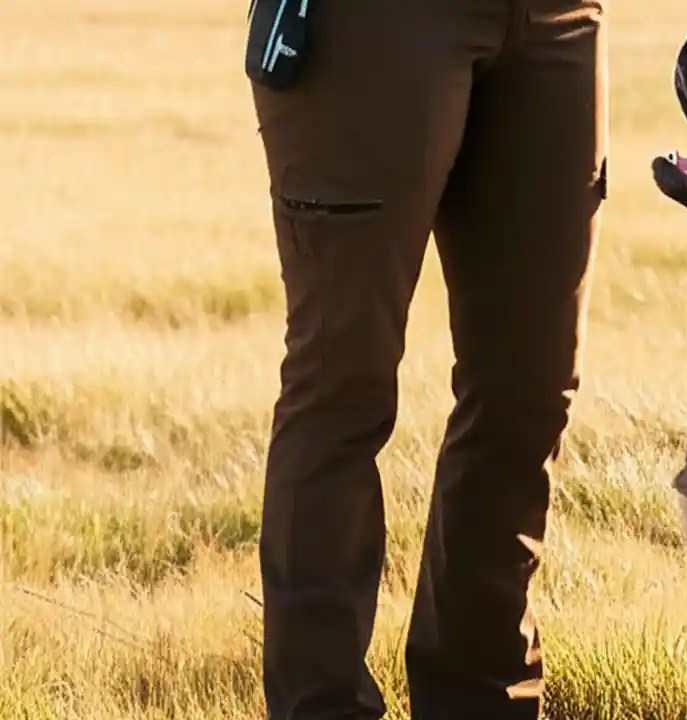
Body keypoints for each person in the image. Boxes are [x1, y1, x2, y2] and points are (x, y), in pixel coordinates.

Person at [246, 1, 607, 717]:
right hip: (372, 24)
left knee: (528, 391)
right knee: (340, 385)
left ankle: (480, 699)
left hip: (554, 20)